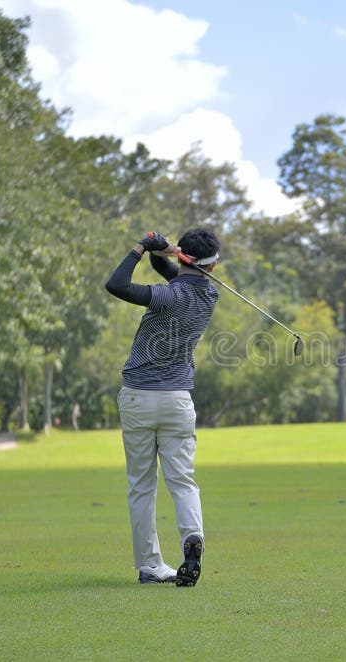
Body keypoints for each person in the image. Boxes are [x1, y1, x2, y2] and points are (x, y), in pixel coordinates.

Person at [104, 227, 221, 586]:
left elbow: (117, 285)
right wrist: (166, 253)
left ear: (185, 257)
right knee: (183, 480)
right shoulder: (210, 295)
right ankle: (191, 537)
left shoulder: (167, 298)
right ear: (212, 266)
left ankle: (151, 565)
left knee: (142, 485)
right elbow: (175, 275)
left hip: (139, 398)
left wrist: (141, 248)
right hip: (177, 402)